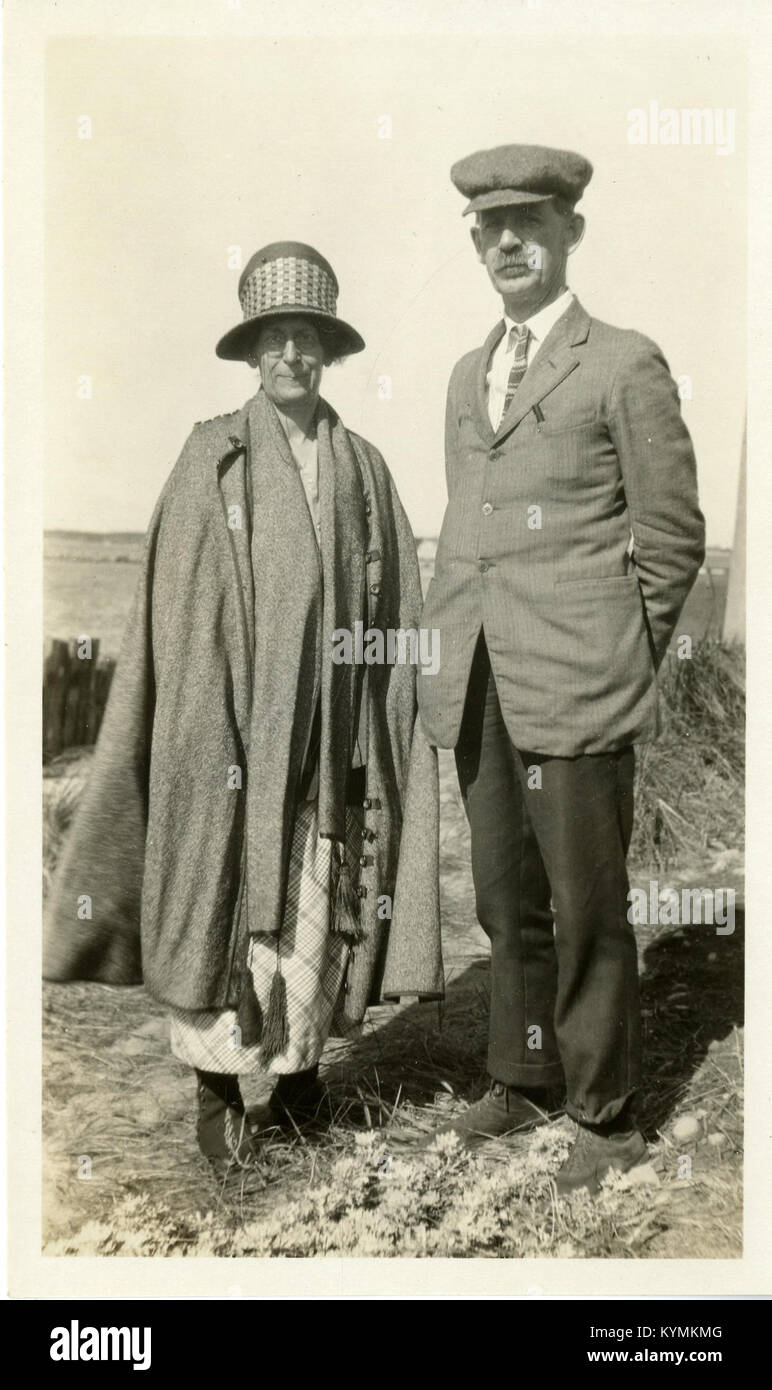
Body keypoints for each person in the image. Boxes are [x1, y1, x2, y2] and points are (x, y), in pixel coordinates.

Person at [45, 241, 443, 1171]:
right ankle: (218, 1098)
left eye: (308, 340)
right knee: (219, 906)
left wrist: (385, 721)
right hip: (225, 750)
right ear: (252, 353)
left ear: (329, 353)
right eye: (276, 340)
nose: (293, 357)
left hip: (327, 751)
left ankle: (300, 1086)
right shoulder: (211, 458)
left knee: (315, 918)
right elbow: (175, 612)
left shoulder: (364, 470)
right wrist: (211, 727)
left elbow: (391, 616)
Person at [417, 146, 705, 1194]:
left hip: (577, 681)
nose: (507, 242)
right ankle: (525, 1070)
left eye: (529, 224)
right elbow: (469, 523)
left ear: (568, 232)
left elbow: (670, 537)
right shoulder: (465, 372)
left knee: (587, 905)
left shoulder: (622, 362)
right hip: (481, 680)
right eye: (489, 228)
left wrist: (619, 650)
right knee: (505, 898)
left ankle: (604, 1111)